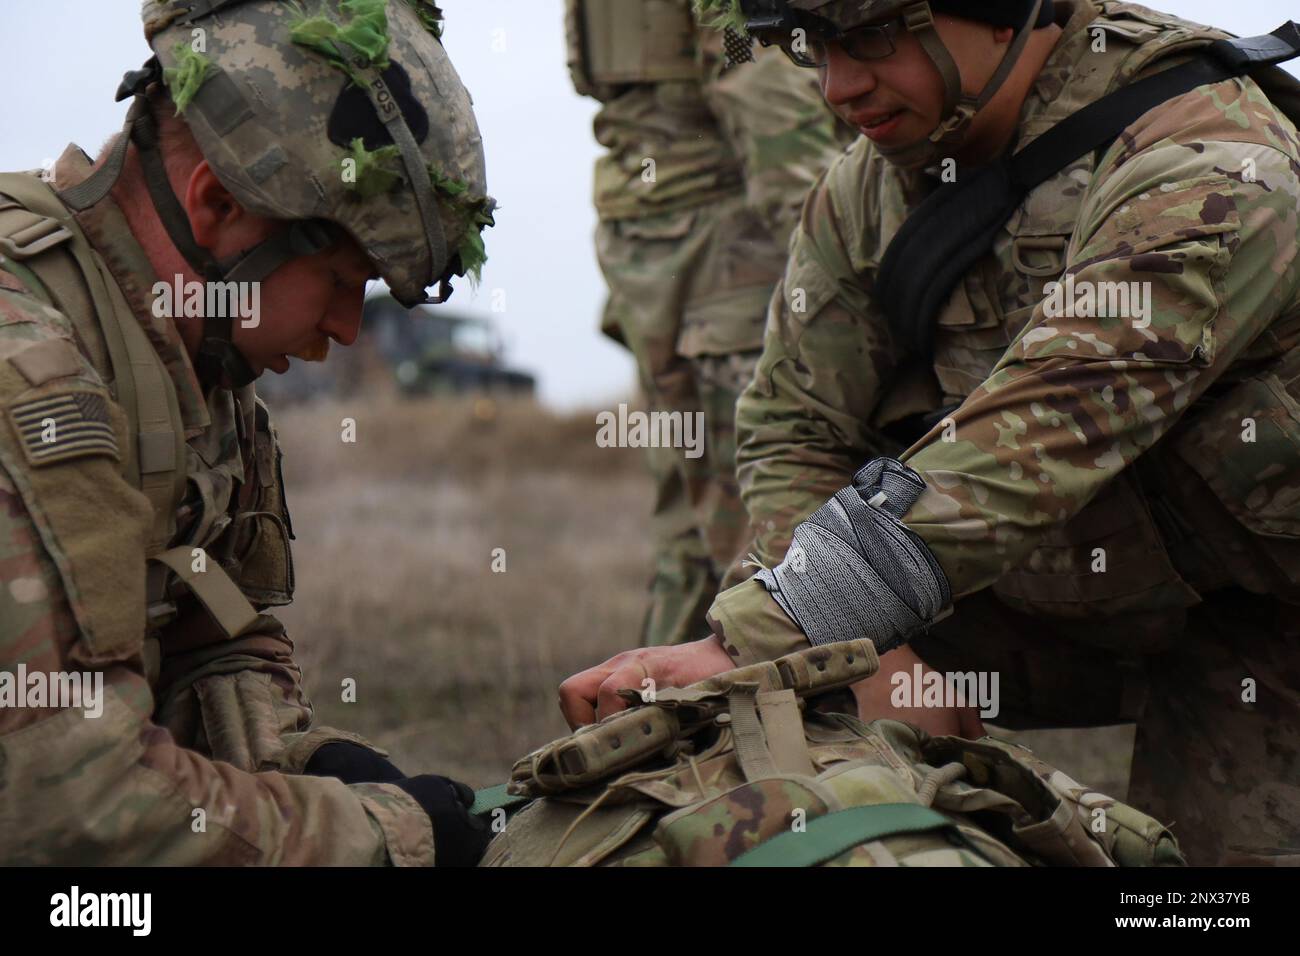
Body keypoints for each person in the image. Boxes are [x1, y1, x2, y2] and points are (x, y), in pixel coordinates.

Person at [561, 0, 1300, 865]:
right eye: (812, 49)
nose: (837, 87)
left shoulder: (1211, 157)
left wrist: (794, 619)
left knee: (1208, 908)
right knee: (761, 689)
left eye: (872, 38)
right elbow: (793, 426)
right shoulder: (870, 192)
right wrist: (855, 652)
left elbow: (1047, 425)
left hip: (1269, 617)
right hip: (1068, 594)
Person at [0, 0, 494, 866]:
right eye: (339, 278)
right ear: (217, 204)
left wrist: (310, 764)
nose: (347, 330)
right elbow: (70, 804)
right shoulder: (31, 373)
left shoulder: (190, 361)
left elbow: (211, 641)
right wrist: (380, 837)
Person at [566, 0, 854, 645]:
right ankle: (787, 704)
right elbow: (760, 85)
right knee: (775, 540)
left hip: (657, 251)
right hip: (736, 261)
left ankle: (661, 703)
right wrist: (835, 260)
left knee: (693, 542)